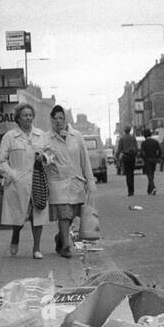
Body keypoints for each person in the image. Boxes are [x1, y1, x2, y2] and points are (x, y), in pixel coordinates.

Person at [0, 103, 50, 259]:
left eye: (30, 115)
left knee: (37, 213)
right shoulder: (10, 137)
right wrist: (13, 176)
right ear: (18, 118)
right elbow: (2, 161)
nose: (28, 118)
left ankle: (37, 248)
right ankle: (15, 237)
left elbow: (51, 154)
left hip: (37, 180)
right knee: (19, 215)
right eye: (25, 115)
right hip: (17, 183)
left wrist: (44, 158)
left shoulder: (41, 135)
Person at [41, 105, 94, 258]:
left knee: (72, 215)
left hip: (76, 181)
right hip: (57, 182)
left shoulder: (76, 136)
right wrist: (43, 159)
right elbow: (44, 160)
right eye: (55, 118)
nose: (58, 121)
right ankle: (65, 246)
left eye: (61, 118)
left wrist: (90, 181)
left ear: (65, 119)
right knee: (64, 214)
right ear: (51, 120)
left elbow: (85, 159)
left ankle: (60, 237)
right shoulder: (46, 138)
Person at [117, 125, 138, 196]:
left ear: (124, 131)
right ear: (130, 130)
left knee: (128, 174)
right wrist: (136, 155)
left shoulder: (122, 138)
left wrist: (117, 156)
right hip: (132, 157)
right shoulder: (133, 138)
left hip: (126, 157)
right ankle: (132, 190)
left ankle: (130, 191)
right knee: (131, 174)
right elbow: (136, 148)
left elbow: (119, 149)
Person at [141, 128, 161, 194]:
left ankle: (153, 187)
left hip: (147, 160)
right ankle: (149, 190)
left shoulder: (144, 143)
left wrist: (144, 158)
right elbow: (160, 151)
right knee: (152, 174)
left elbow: (142, 153)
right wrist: (157, 157)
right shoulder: (155, 142)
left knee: (149, 175)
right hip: (154, 159)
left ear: (144, 135)